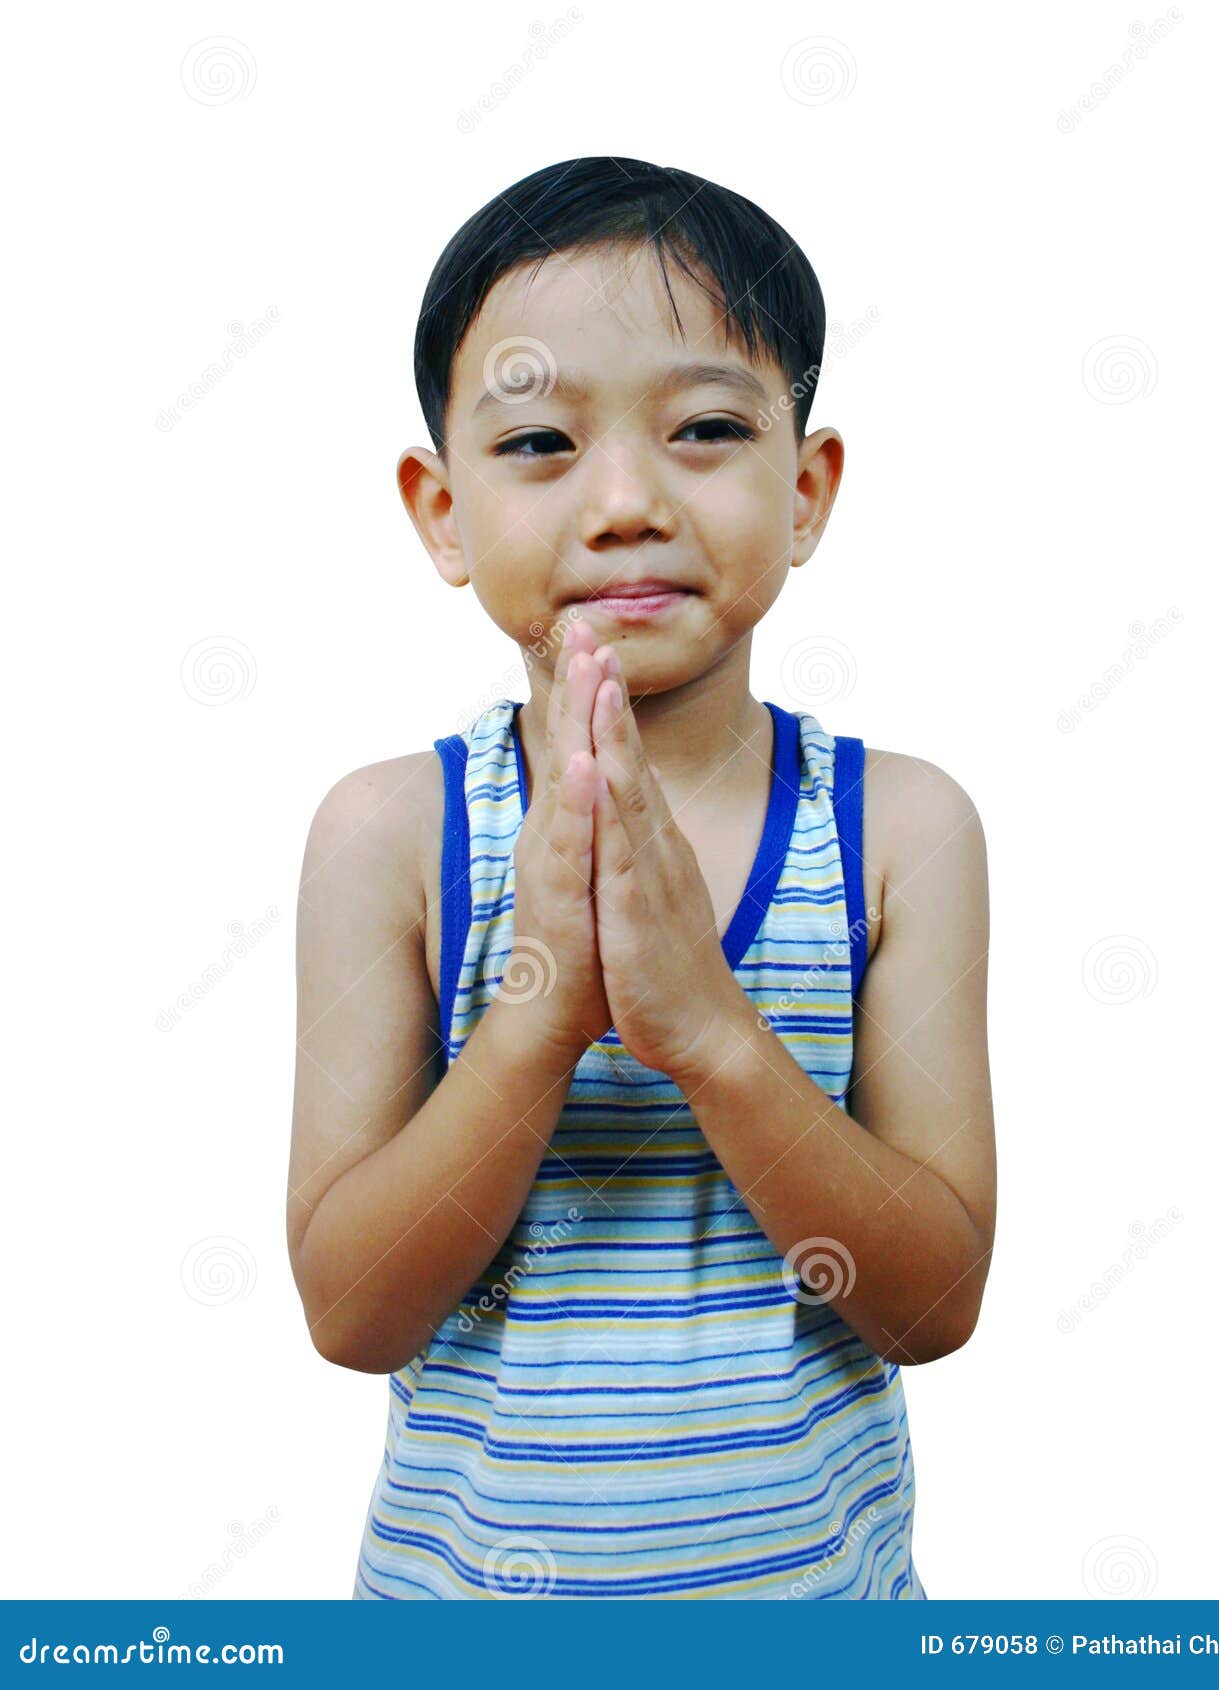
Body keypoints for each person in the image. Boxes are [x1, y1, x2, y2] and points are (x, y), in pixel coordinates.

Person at [287, 155, 996, 1600]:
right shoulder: (393, 835)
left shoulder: (900, 832)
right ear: (440, 510)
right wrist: (542, 1012)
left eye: (707, 429)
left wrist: (712, 1032)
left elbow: (935, 1301)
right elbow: (352, 1308)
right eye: (541, 443)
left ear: (806, 492)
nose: (622, 502)